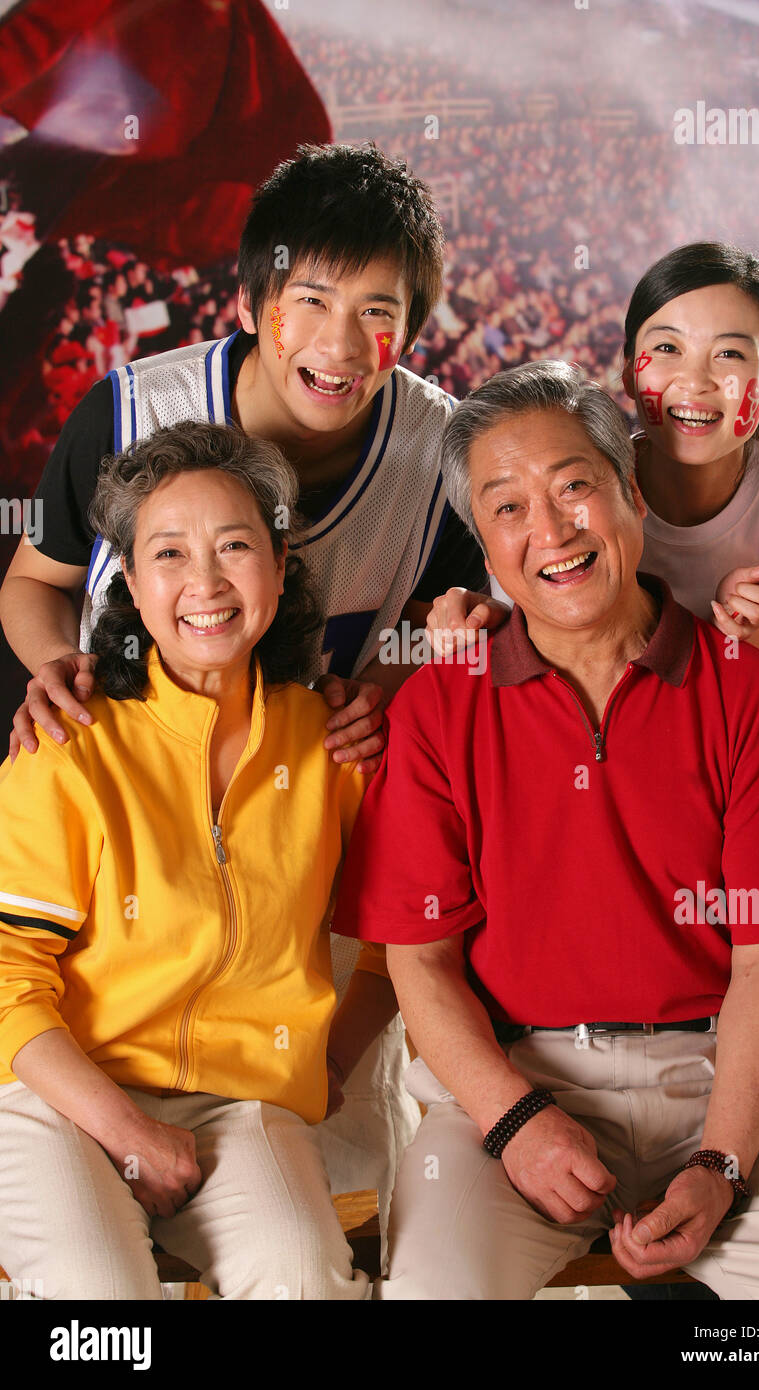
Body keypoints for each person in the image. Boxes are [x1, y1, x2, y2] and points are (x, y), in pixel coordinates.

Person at [0, 141, 488, 1208]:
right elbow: (30, 584)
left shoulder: (439, 449)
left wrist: (396, 694)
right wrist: (57, 669)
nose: (337, 340)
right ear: (254, 294)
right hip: (126, 833)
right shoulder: (129, 412)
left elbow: (467, 627)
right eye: (308, 298)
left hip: (300, 851)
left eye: (377, 309)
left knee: (334, 1195)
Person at [333, 361, 759, 1300]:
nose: (550, 531)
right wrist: (514, 1121)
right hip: (506, 1089)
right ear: (485, 548)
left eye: (575, 486)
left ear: (630, 491)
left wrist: (724, 1164)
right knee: (433, 1290)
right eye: (507, 507)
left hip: (727, 1086)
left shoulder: (753, 693)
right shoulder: (436, 709)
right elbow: (422, 962)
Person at [427, 243, 759, 1040]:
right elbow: (517, 650)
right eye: (666, 349)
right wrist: (467, 626)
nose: (694, 383)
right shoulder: (572, 490)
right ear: (630, 374)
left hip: (755, 923)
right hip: (585, 915)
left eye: (729, 356)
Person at [0, 422, 396, 1299]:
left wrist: (330, 1062)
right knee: (98, 1292)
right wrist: (128, 1131)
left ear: (281, 564)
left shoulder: (335, 745)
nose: (206, 583)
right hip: (58, 1090)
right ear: (132, 586)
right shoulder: (68, 741)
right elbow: (6, 979)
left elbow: (396, 941)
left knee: (304, 1274)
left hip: (241, 1101)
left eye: (235, 547)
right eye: (169, 553)